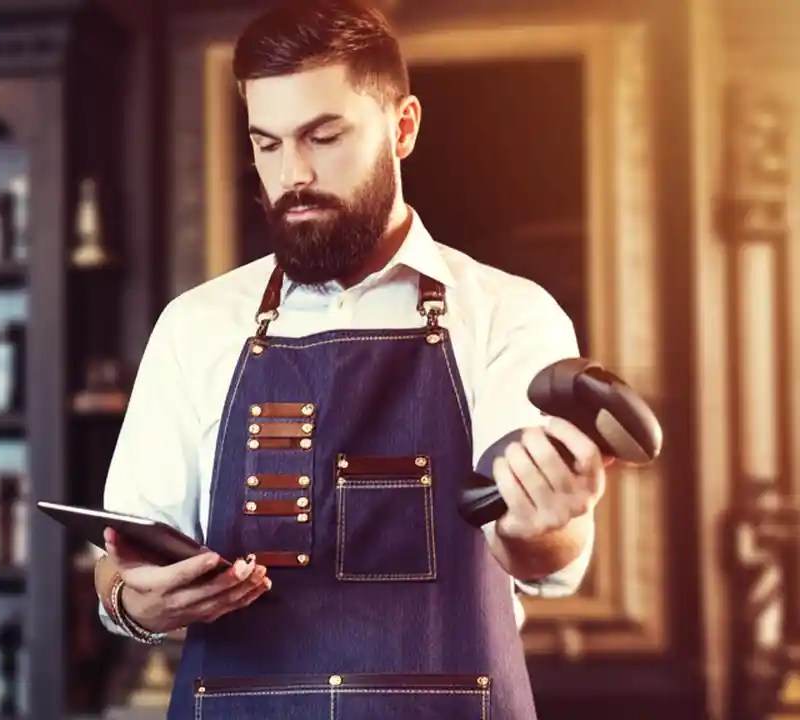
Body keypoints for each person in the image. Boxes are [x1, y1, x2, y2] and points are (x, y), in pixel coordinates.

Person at [92, 1, 609, 717]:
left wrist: (540, 521)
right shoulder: (194, 327)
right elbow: (120, 563)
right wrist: (133, 602)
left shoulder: (509, 315)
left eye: (323, 136)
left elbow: (538, 551)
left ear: (403, 128)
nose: (292, 174)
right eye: (266, 144)